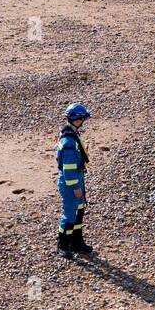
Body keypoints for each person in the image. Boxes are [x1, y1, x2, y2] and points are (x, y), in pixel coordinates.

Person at [56, 102, 93, 258]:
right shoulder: (69, 142)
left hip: (77, 179)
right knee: (70, 214)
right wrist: (75, 187)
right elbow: (68, 169)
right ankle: (63, 244)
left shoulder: (71, 134)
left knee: (79, 212)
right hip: (71, 183)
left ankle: (77, 241)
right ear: (78, 120)